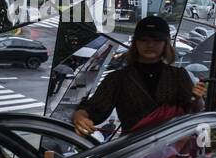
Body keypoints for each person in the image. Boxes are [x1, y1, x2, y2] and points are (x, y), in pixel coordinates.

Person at [73, 17, 205, 136]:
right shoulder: (117, 79)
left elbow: (193, 110)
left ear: (165, 43)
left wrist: (197, 98)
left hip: (171, 152)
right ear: (135, 43)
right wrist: (80, 118)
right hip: (133, 152)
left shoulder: (178, 75)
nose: (150, 45)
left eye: (156, 40)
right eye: (144, 40)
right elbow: (92, 110)